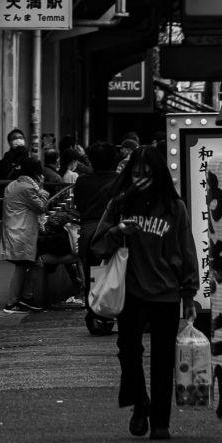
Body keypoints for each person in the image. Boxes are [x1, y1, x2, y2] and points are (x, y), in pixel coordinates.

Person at [93, 145, 199, 441]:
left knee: (164, 359)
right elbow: (96, 245)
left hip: (166, 293)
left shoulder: (174, 208)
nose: (140, 180)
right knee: (128, 351)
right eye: (136, 174)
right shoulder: (120, 205)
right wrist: (118, 232)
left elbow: (186, 250)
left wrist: (189, 294)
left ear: (158, 175)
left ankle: (161, 423)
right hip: (131, 292)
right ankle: (141, 403)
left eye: (146, 174)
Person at [73, 140, 120, 335]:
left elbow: (79, 205)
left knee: (92, 274)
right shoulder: (120, 180)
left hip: (88, 230)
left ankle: (94, 316)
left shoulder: (82, 181)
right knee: (115, 274)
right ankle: (109, 316)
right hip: (114, 231)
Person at [0, 155, 48, 313]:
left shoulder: (13, 185)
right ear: (36, 172)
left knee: (30, 264)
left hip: (14, 230)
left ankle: (26, 297)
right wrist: (42, 191)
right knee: (24, 265)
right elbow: (41, 207)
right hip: (22, 232)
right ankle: (12, 302)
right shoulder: (28, 188)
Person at [0, 129, 28, 219]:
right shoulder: (3, 163)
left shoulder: (29, 161)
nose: (18, 140)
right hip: (8, 205)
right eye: (14, 138)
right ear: (9, 142)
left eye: (20, 137)